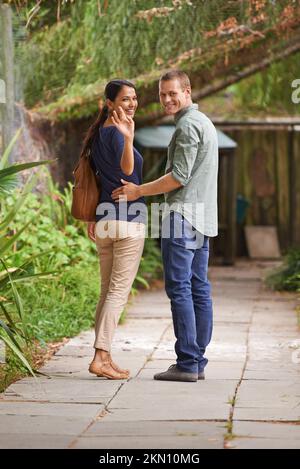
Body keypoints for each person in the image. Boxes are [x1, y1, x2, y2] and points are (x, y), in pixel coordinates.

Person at [112, 70, 218, 382]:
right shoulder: (205, 123)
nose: (167, 99)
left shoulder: (187, 127)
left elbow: (178, 177)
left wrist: (137, 190)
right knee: (198, 287)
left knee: (180, 288)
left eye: (173, 93)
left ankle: (187, 362)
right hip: (202, 219)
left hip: (182, 217)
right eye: (162, 94)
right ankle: (196, 361)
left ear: (188, 91)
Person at [82, 79, 147, 380]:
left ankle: (104, 357)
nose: (132, 104)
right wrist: (129, 139)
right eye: (125, 99)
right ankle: (101, 356)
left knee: (107, 292)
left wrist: (91, 216)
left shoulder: (97, 135)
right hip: (127, 221)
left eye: (134, 99)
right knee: (118, 294)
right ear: (110, 103)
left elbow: (95, 179)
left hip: (105, 222)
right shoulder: (119, 134)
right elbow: (128, 173)